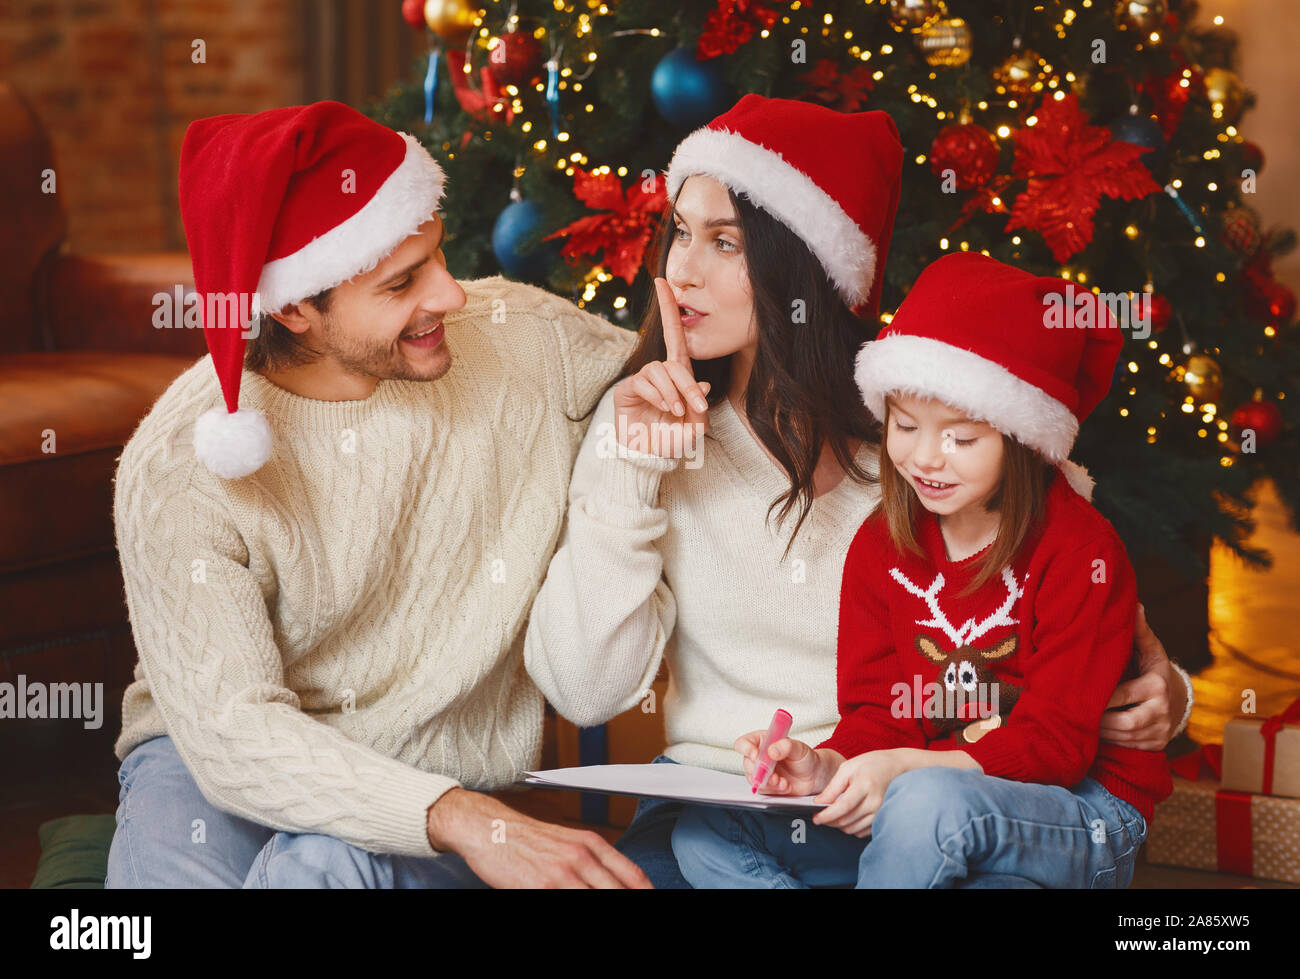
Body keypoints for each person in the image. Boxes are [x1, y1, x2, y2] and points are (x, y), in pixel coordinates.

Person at [523, 95, 1194, 888]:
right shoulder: (642, 420)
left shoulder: (923, 422)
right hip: (722, 796)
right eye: (679, 230)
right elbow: (582, 689)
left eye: (725, 241)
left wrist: (1169, 696)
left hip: (918, 793)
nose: (681, 270)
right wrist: (629, 466)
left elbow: (1066, 607)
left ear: (800, 260)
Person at [105, 100, 651, 888]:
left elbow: (691, 383)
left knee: (322, 868)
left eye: (437, 257)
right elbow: (234, 731)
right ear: (294, 306)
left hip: (437, 763)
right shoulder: (179, 467)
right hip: (213, 761)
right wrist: (462, 816)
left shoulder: (529, 342)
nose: (452, 297)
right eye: (403, 283)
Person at [669, 252, 1176, 888]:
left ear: (1021, 439)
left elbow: (1057, 743)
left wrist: (909, 773)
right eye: (905, 426)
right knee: (707, 830)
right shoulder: (883, 544)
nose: (925, 458)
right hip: (928, 807)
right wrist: (827, 765)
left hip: (1084, 811)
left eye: (961, 439)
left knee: (927, 806)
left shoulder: (1082, 553)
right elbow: (881, 710)